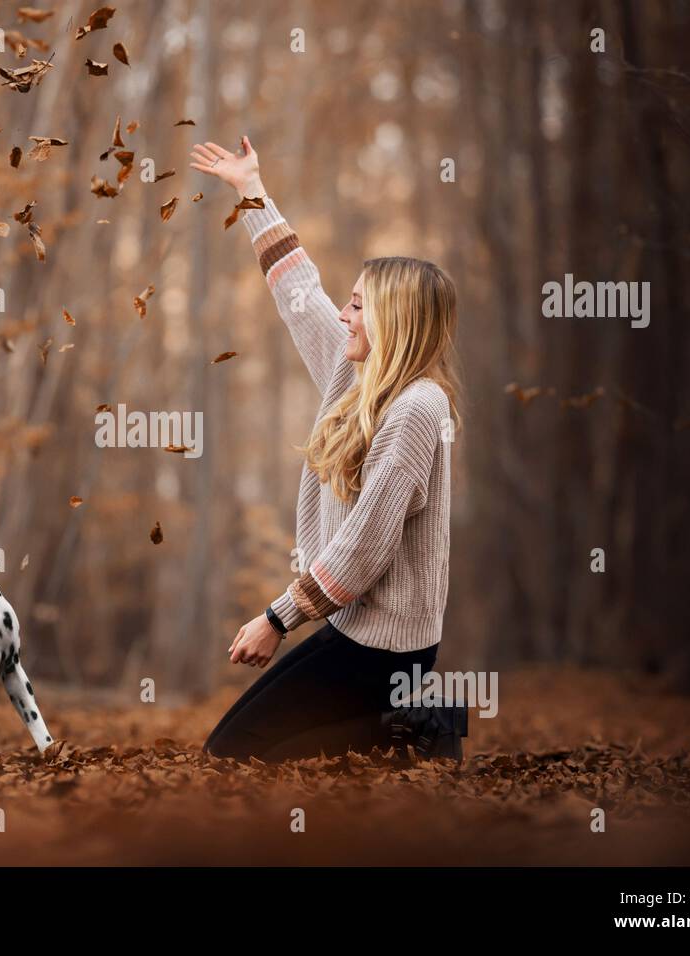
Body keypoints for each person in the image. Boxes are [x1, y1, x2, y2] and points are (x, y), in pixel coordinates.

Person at [190, 136, 462, 762]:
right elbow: (300, 295)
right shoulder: (356, 377)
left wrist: (277, 618)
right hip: (353, 624)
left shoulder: (418, 408)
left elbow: (364, 548)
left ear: (393, 320)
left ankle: (421, 727)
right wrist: (251, 191)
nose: (342, 314)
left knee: (237, 754)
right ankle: (402, 726)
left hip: (389, 646)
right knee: (232, 748)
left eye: (359, 305)